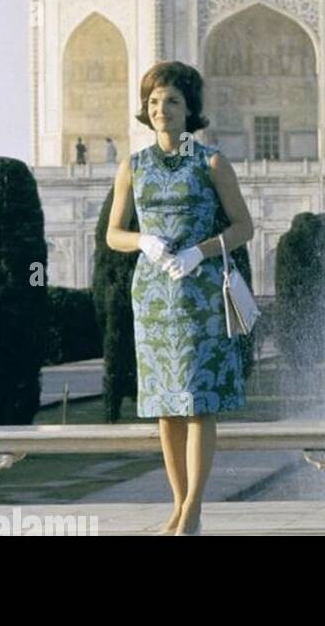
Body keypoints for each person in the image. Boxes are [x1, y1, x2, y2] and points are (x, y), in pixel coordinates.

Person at [106, 61, 254, 536]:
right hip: (152, 295)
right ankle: (178, 503)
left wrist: (200, 252)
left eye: (171, 101)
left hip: (200, 292)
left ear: (190, 110)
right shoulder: (132, 166)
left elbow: (243, 227)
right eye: (153, 102)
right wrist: (142, 242)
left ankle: (192, 509)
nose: (161, 110)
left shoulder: (210, 163)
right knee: (165, 406)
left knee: (197, 401)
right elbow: (113, 234)